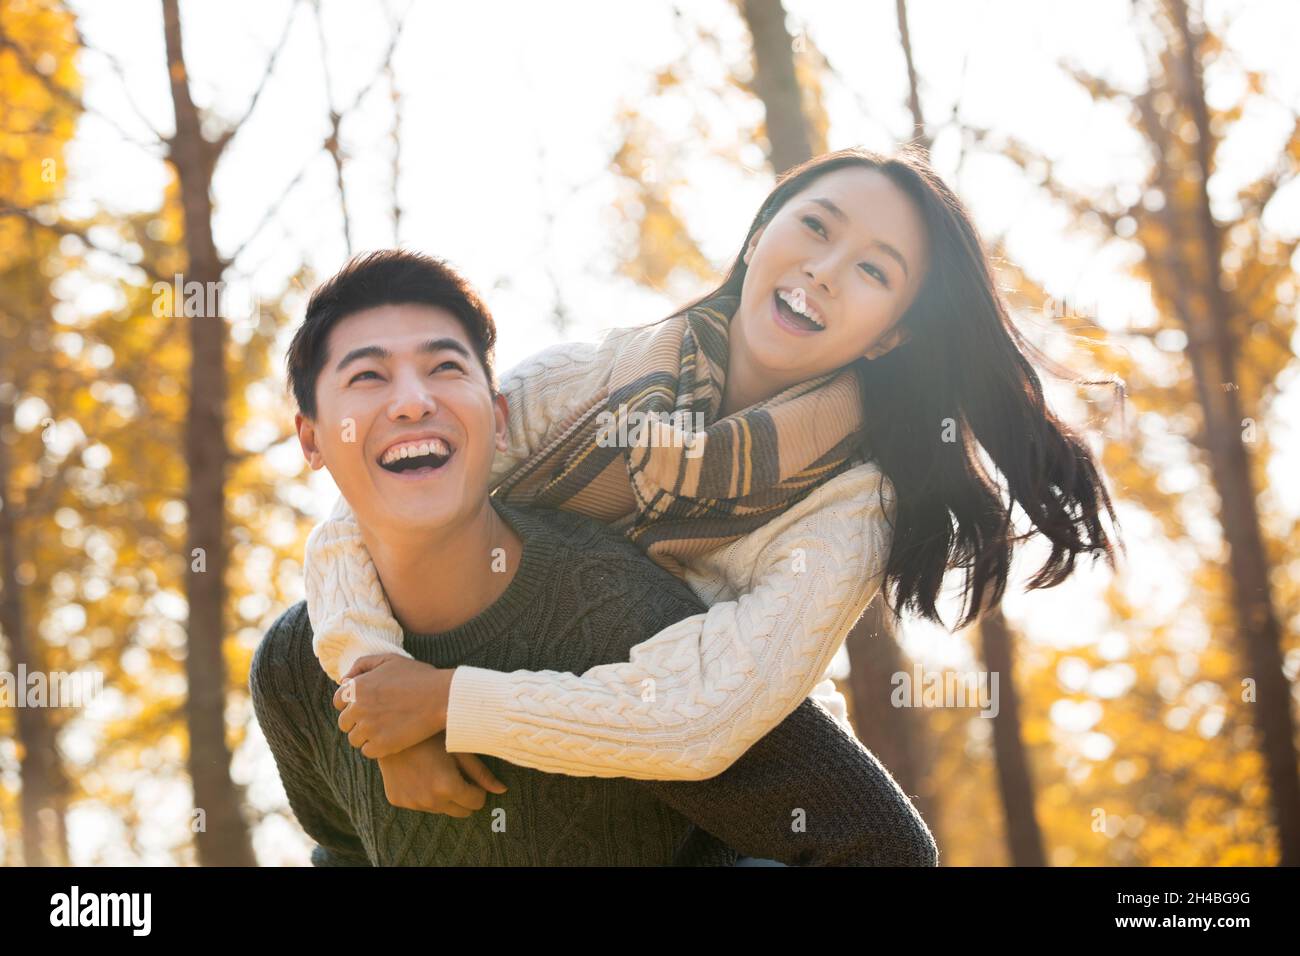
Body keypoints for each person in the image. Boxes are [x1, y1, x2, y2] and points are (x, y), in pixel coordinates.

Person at [303, 145, 1119, 797]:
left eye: (874, 272)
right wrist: (380, 703)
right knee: (285, 653)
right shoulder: (583, 385)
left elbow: (701, 715)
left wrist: (447, 705)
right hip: (517, 744)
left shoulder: (848, 505)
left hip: (721, 806)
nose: (825, 270)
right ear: (760, 234)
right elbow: (369, 509)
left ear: (889, 337)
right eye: (815, 228)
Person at [249, 251, 938, 865]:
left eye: (444, 367)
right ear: (311, 439)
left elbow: (880, 845)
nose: (412, 401)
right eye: (368, 376)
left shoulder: (620, 618)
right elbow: (343, 849)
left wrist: (451, 704)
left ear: (499, 416)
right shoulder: (293, 668)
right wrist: (380, 690)